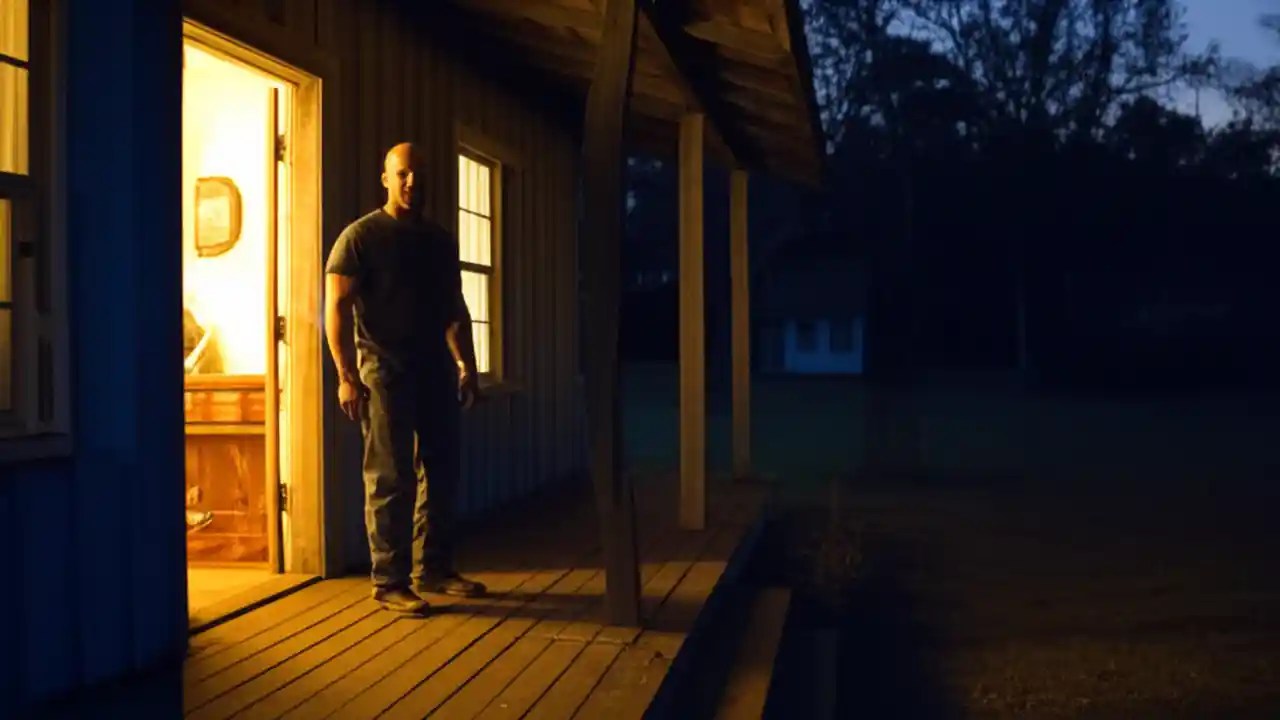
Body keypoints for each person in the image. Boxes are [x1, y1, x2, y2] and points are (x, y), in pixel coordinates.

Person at [324, 141, 486, 615]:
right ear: (386, 179)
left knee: (442, 469)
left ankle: (433, 568)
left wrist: (467, 366)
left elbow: (454, 311)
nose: (412, 182)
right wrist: (346, 375)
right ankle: (389, 580)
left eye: (419, 174)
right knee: (390, 475)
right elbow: (336, 306)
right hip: (383, 371)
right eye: (403, 174)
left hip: (435, 368)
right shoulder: (361, 237)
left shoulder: (439, 242)